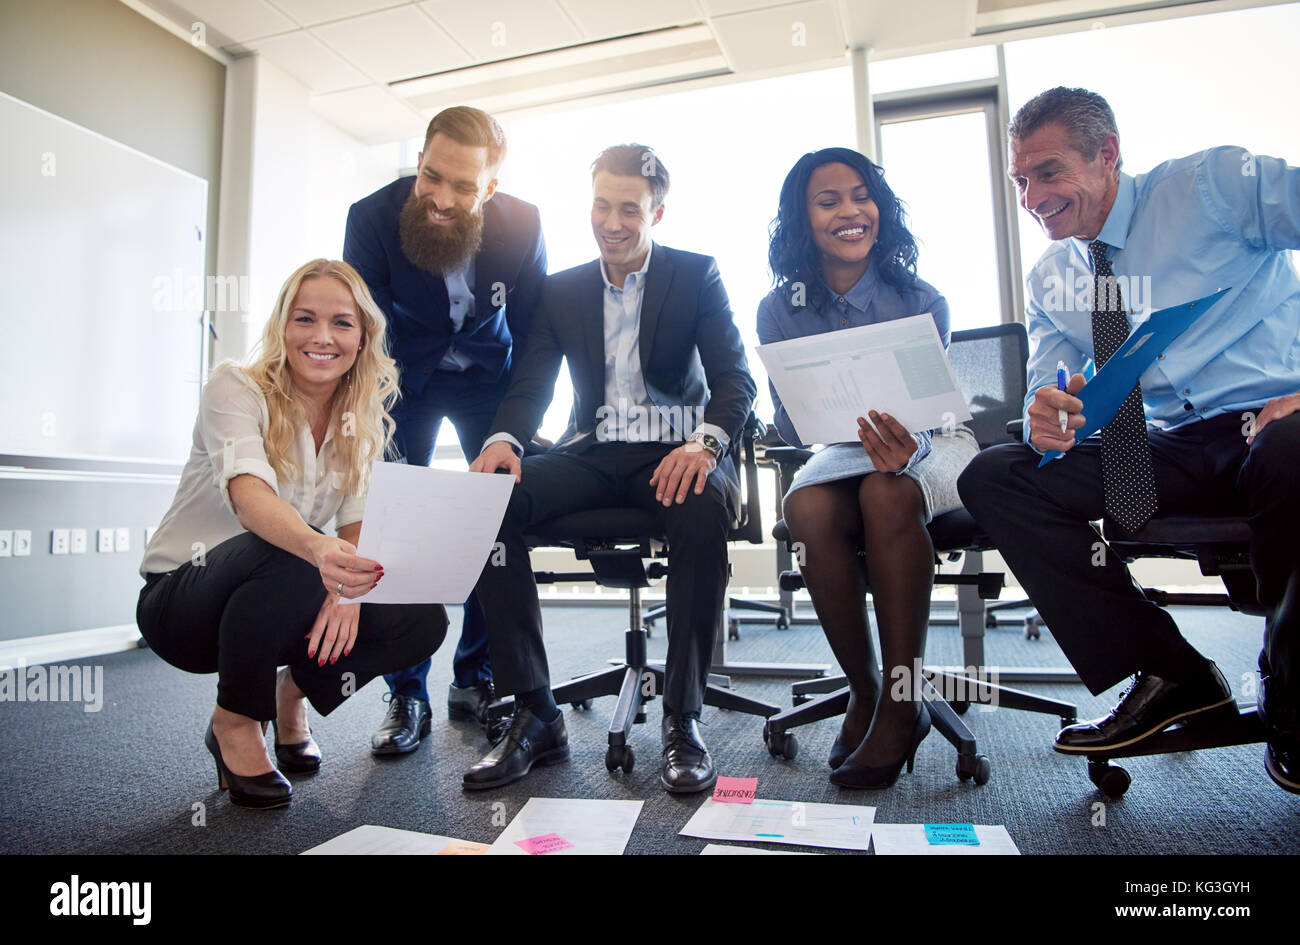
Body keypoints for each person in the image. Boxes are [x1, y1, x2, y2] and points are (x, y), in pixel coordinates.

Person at [957, 87, 1300, 794]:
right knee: (996, 475)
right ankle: (1172, 669)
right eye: (1020, 181)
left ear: (1107, 153)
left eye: (1048, 173)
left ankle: (1294, 686)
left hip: (1272, 416)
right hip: (1170, 442)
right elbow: (1051, 385)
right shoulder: (1052, 278)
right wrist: (1045, 412)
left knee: (1292, 452)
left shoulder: (1213, 189)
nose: (1032, 198)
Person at [461, 144, 757, 794]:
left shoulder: (695, 274)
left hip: (677, 450)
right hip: (593, 453)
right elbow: (534, 375)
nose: (613, 221)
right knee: (485, 502)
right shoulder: (562, 289)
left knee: (702, 501)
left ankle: (683, 716)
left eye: (630, 208)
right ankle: (536, 712)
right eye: (602, 204)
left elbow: (736, 378)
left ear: (657, 211)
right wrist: (506, 436)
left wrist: (705, 444)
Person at [136, 259, 448, 809]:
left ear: (362, 338)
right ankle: (235, 721)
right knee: (286, 549)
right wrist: (324, 554)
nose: (322, 337)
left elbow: (356, 524)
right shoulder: (234, 387)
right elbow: (251, 498)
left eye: (341, 323)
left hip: (272, 599)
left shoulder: (360, 415)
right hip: (183, 601)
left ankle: (292, 693)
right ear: (283, 327)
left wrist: (350, 586)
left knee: (418, 614)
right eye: (305, 319)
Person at [758, 148, 979, 789]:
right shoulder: (779, 309)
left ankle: (902, 704)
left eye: (862, 196)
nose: (851, 212)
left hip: (933, 442)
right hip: (839, 447)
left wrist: (906, 450)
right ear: (804, 221)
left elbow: (933, 415)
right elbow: (793, 427)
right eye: (829, 202)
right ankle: (865, 689)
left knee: (888, 493)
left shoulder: (920, 299)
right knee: (805, 505)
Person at [344, 106, 547, 753]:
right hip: (402, 376)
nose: (439, 197)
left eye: (462, 187)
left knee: (493, 513)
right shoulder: (372, 218)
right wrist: (370, 432)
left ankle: (475, 673)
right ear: (421, 161)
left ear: (488, 189)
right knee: (398, 522)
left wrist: (512, 430)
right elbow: (364, 332)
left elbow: (539, 336)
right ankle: (406, 690)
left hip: (488, 374)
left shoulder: (521, 225)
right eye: (432, 176)